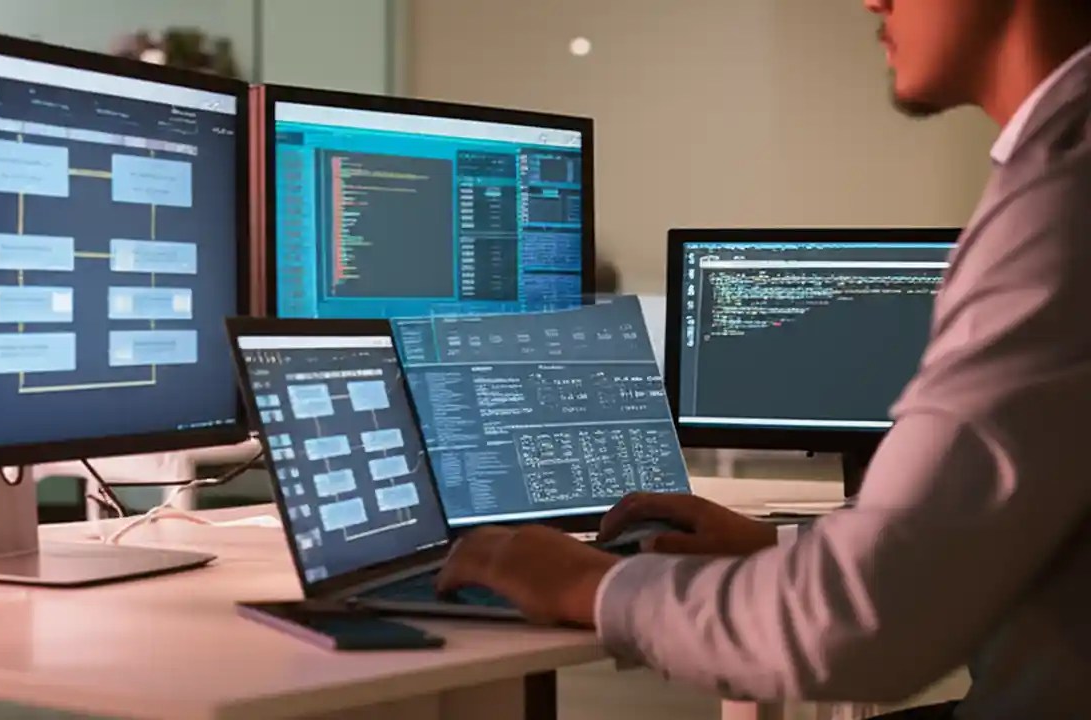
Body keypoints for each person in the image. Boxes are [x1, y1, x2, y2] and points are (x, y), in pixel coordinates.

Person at [436, 1, 1091, 717]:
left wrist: (587, 586)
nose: (872, 0)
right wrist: (775, 544)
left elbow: (864, 624)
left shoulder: (1062, 203)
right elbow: (999, 541)